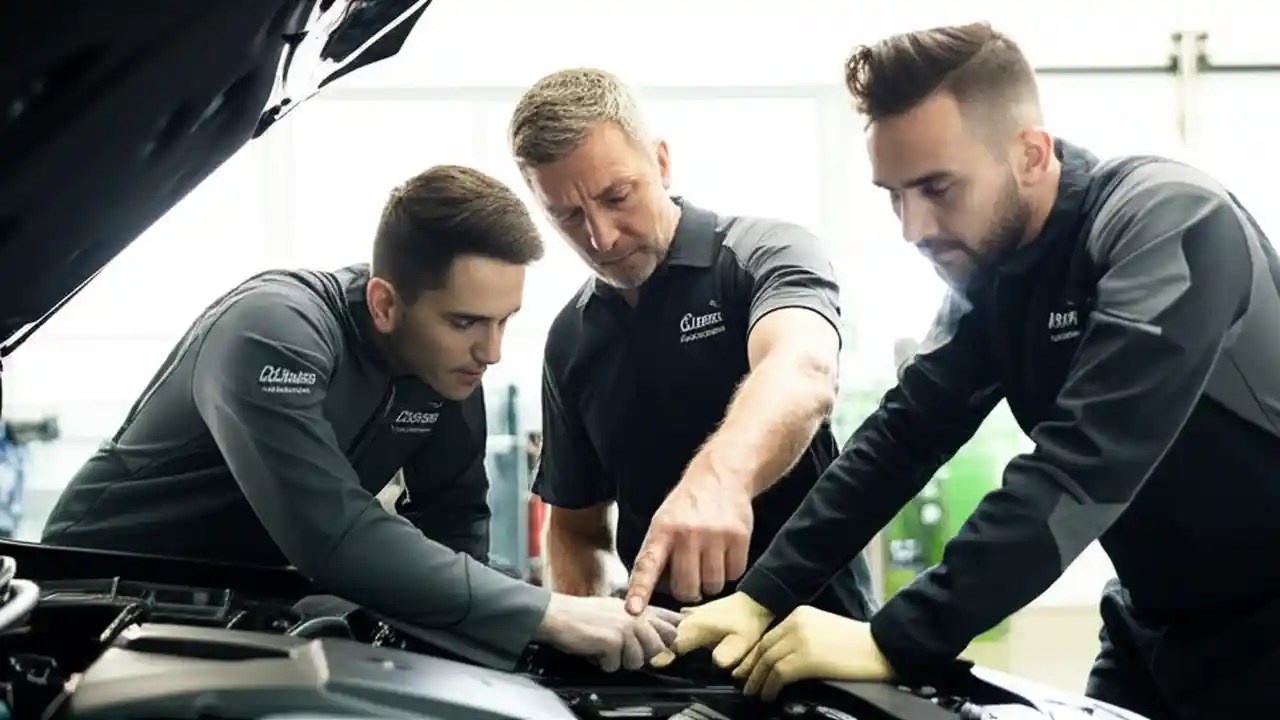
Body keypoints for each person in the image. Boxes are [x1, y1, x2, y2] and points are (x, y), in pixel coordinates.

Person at [662, 22, 1280, 719]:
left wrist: (896, 639)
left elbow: (1084, 463)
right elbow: (903, 436)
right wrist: (760, 595)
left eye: (937, 188)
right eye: (894, 195)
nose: (913, 227)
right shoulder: (994, 274)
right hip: (1153, 620)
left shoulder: (1170, 220)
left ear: (1030, 153)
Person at [42, 164, 681, 673]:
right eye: (465, 322)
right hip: (90, 600)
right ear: (384, 302)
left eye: (503, 321)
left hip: (245, 606)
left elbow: (454, 528)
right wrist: (546, 611)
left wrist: (505, 649)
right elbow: (332, 533)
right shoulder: (273, 331)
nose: (491, 351)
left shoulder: (449, 365)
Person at [507, 68, 878, 624]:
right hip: (668, 661)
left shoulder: (763, 254)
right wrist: (587, 636)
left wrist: (719, 481)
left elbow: (801, 370)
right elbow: (577, 529)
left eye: (617, 196)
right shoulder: (570, 339)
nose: (601, 237)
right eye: (568, 215)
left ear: (659, 161)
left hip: (814, 633)